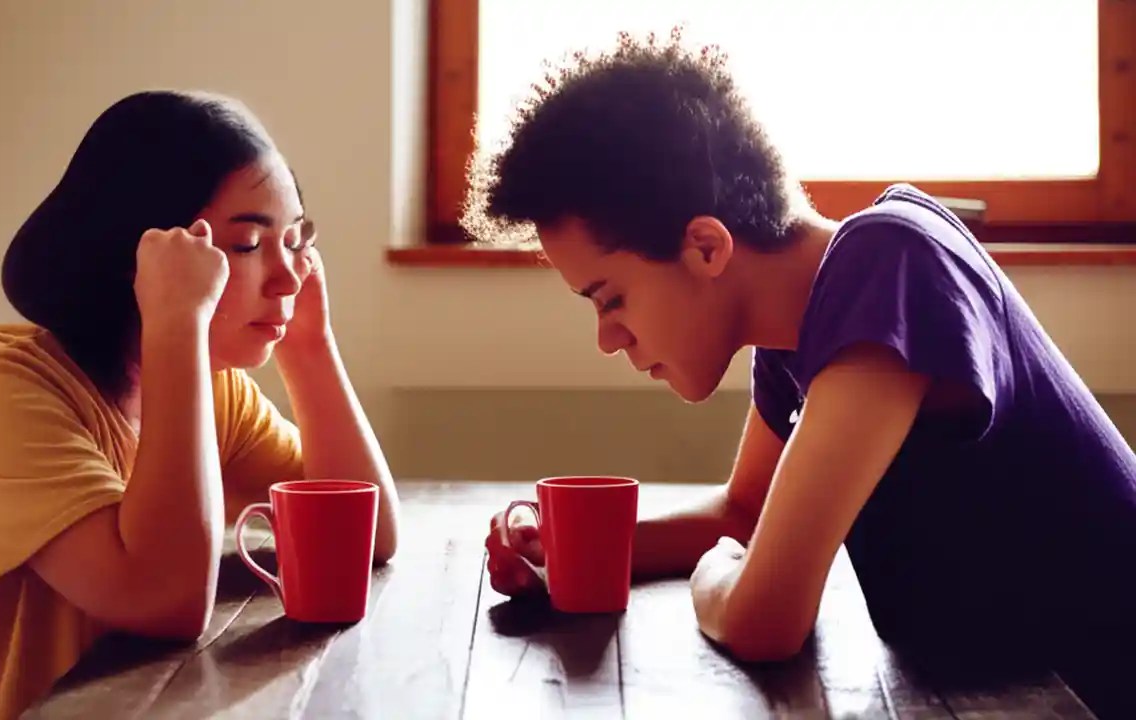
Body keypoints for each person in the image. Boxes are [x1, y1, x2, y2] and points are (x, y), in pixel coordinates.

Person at [472, 31, 1136, 718]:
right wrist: (568, 553)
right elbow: (745, 512)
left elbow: (763, 620)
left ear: (706, 246)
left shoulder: (889, 264)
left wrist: (717, 574)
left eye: (611, 298)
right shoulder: (799, 338)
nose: (608, 338)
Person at [0, 90, 400, 719]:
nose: (288, 277)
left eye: (296, 241)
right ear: (142, 256)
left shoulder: (209, 390)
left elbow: (363, 535)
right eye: (248, 246)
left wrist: (310, 344)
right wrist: (174, 324)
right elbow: (166, 602)